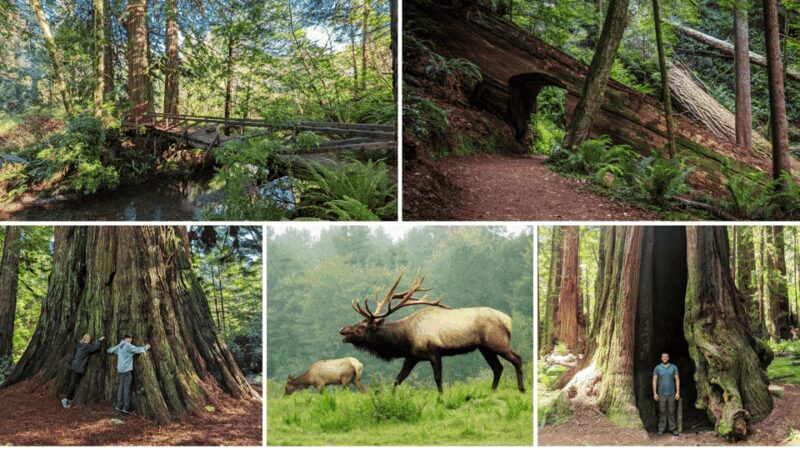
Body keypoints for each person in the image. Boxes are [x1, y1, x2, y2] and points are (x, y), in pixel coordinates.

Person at [107, 334, 150, 414]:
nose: (130, 340)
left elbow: (109, 350)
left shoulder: (120, 347)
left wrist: (119, 345)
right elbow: (138, 350)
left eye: (131, 339)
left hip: (120, 371)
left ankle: (119, 406)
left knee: (121, 388)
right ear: (125, 339)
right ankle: (125, 408)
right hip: (127, 371)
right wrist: (146, 347)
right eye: (128, 339)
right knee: (126, 389)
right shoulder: (128, 346)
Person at [61, 334, 105, 408]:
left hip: (75, 365)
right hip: (78, 367)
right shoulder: (86, 346)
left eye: (89, 339)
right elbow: (96, 347)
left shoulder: (80, 345)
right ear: (84, 339)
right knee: (73, 383)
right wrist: (100, 340)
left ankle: (69, 398)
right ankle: (66, 399)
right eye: (87, 339)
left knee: (74, 383)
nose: (89, 340)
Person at [653, 352, 680, 436]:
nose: (665, 358)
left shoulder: (673, 367)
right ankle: (661, 429)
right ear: (661, 358)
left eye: (666, 357)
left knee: (671, 411)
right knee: (662, 411)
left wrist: (678, 392)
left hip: (672, 393)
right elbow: (654, 381)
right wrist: (655, 393)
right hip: (661, 394)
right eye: (663, 356)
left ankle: (673, 429)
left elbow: (677, 380)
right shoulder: (657, 368)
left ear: (668, 358)